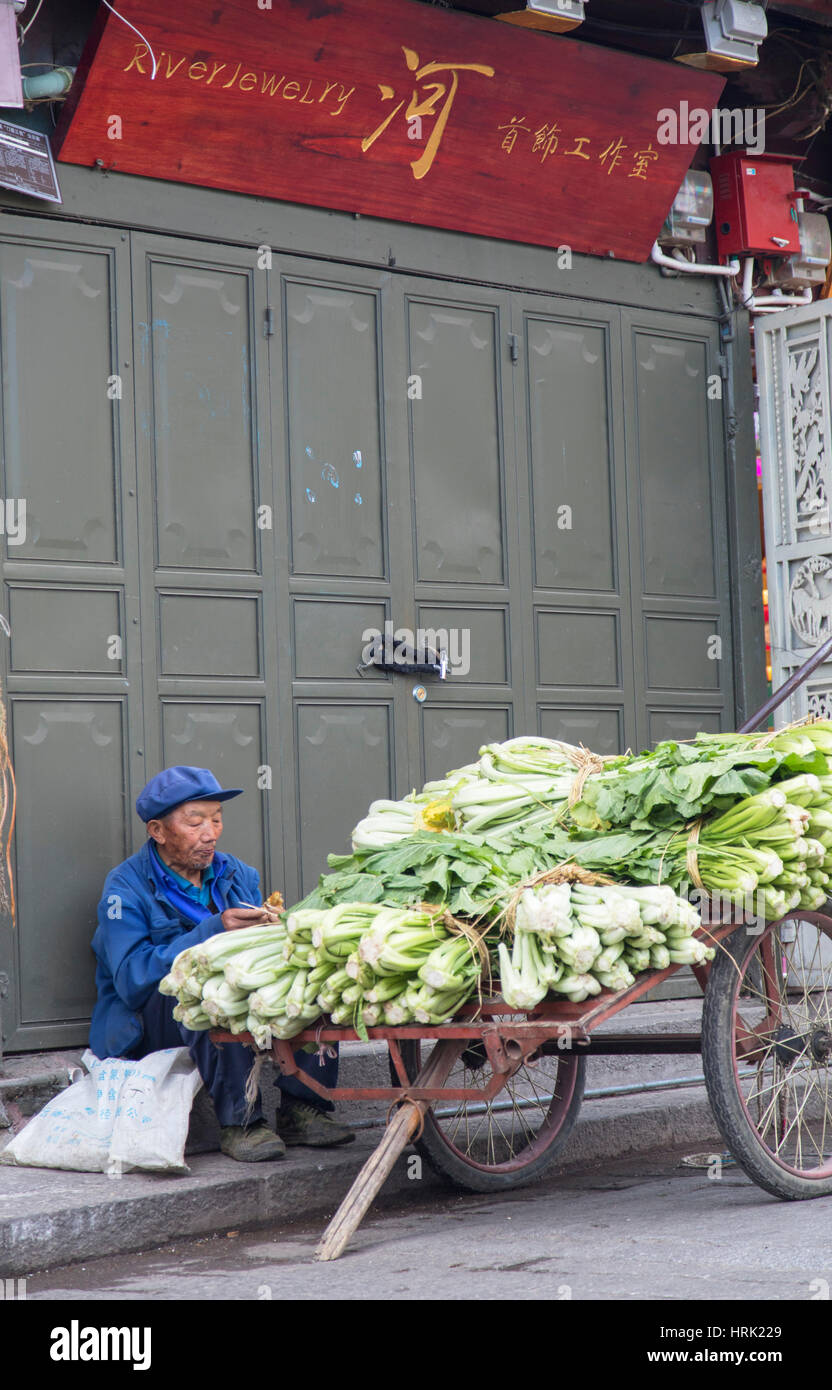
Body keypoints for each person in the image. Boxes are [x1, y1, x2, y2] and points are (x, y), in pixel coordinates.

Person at [89, 766, 354, 1161]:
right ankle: (242, 1122)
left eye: (216, 819)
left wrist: (274, 931)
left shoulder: (235, 874)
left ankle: (305, 1107)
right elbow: (131, 979)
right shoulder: (125, 887)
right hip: (150, 1019)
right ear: (158, 832)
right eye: (195, 823)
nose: (210, 833)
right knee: (207, 992)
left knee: (307, 977)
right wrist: (212, 931)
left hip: (235, 1001)